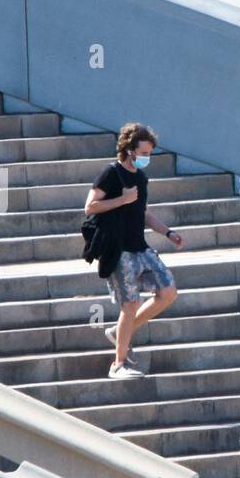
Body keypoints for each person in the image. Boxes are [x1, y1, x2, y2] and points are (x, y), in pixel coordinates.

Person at [84, 123, 186, 379]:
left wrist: (168, 232)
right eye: (142, 153)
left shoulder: (141, 177)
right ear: (129, 150)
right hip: (118, 250)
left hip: (140, 247)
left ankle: (120, 334)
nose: (146, 158)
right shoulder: (111, 173)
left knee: (168, 292)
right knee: (130, 305)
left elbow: (142, 213)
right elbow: (90, 206)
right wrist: (122, 199)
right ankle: (118, 364)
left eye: (149, 153)